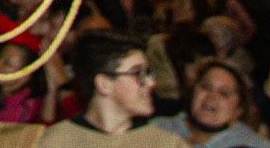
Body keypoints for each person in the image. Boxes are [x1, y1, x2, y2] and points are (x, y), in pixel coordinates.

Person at [38, 31, 184, 148]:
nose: (151, 82)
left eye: (148, 73)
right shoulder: (55, 142)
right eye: (137, 73)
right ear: (104, 84)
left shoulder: (167, 144)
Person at [153, 61, 268, 148]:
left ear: (239, 109)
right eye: (206, 87)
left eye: (224, 93)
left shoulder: (254, 145)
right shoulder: (157, 129)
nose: (211, 96)